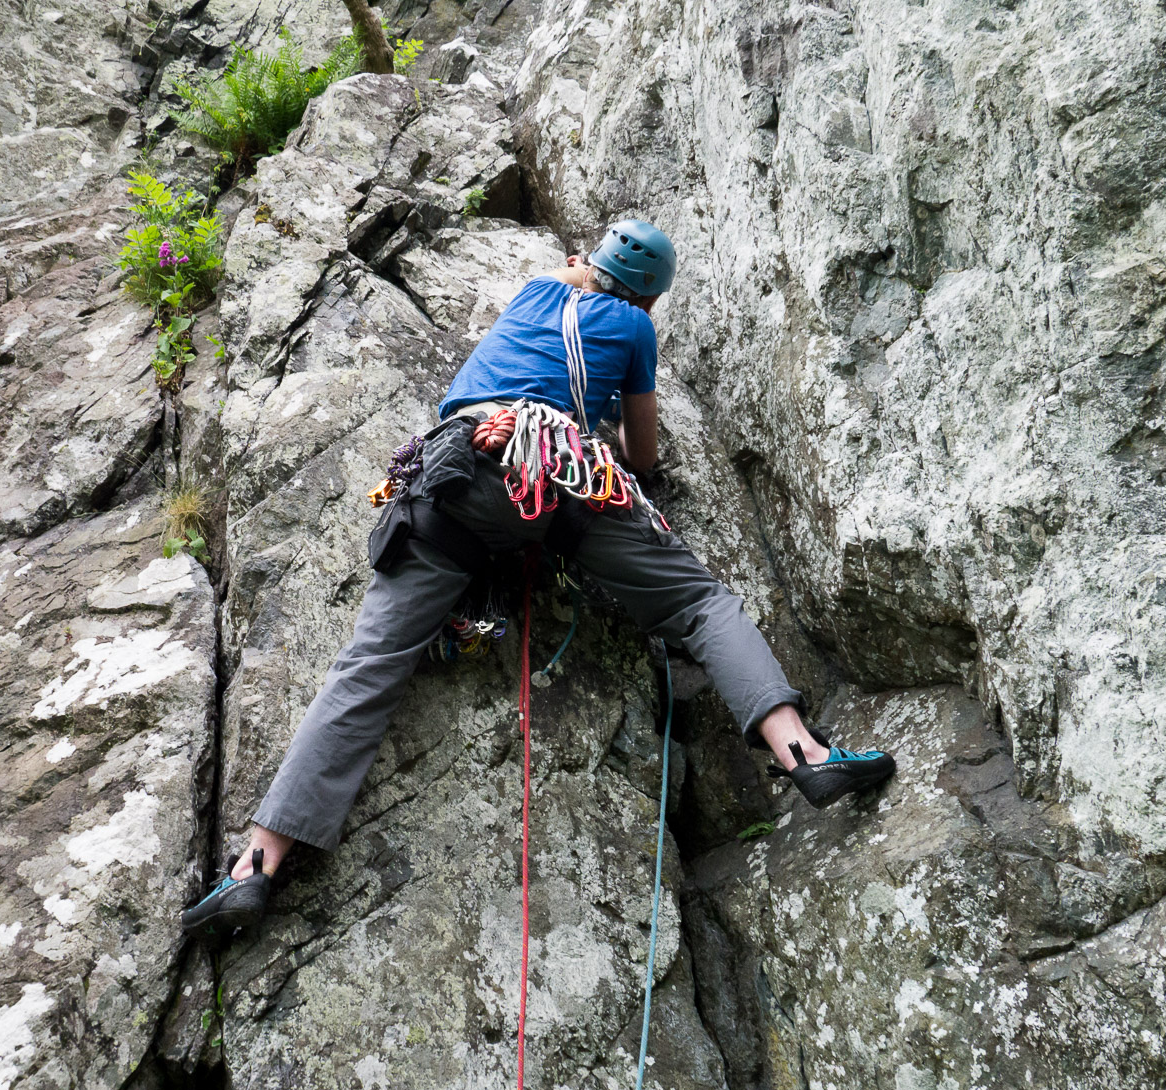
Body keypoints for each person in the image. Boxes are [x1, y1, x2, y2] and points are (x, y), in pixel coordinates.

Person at [182, 221, 895, 937]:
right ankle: (804, 752)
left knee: (368, 665)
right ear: (650, 298)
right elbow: (641, 457)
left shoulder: (533, 293)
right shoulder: (633, 327)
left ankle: (256, 867)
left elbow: (553, 301)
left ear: (590, 263)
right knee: (699, 602)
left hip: (455, 475)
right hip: (558, 481)